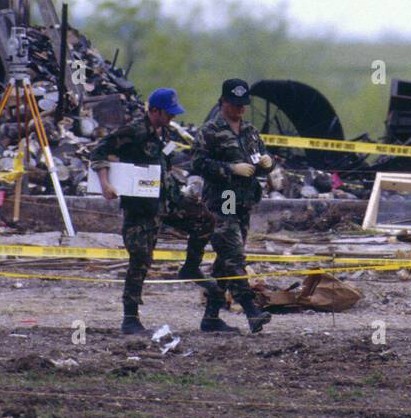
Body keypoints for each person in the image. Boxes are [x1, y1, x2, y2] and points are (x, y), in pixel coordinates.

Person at [90, 88, 216, 335]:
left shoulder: (165, 132)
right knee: (140, 258)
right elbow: (99, 151)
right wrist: (106, 184)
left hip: (168, 199)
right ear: (155, 111)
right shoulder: (134, 131)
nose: (172, 118)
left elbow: (166, 160)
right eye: (168, 113)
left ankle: (191, 266)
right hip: (142, 206)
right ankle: (130, 317)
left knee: (205, 220)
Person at [191, 79, 274, 334]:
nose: (240, 109)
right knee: (234, 255)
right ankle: (251, 311)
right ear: (223, 102)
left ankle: (211, 316)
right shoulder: (210, 130)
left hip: (244, 200)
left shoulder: (249, 130)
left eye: (243, 105)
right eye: (235, 104)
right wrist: (229, 168)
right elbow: (196, 162)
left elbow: (260, 155)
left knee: (224, 261)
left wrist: (268, 163)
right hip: (223, 198)